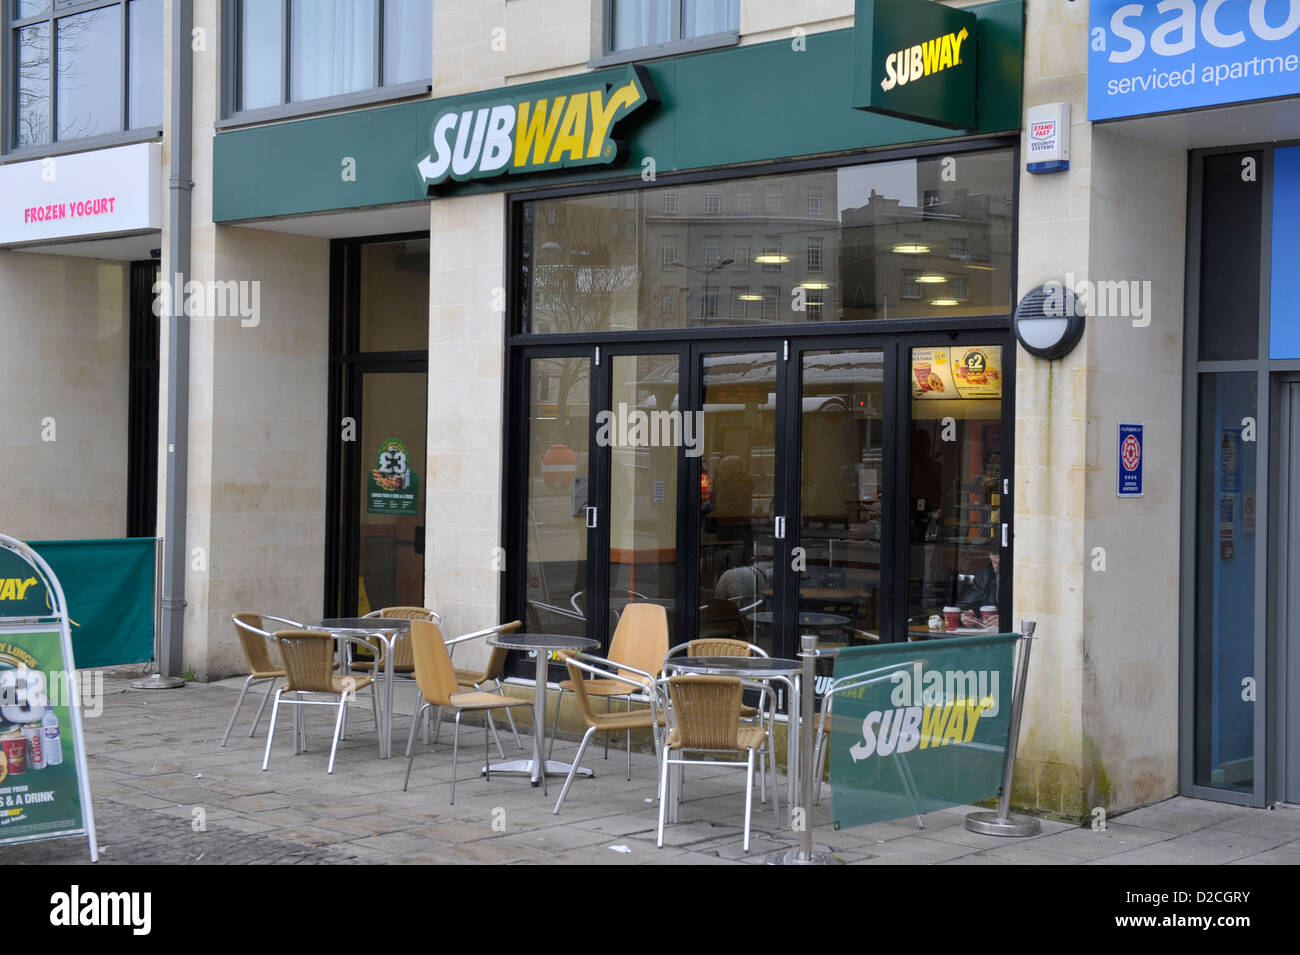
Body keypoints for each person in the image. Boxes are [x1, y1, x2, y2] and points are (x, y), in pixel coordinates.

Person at [957, 549, 1000, 627]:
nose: (996, 569)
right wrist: (966, 615)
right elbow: (965, 605)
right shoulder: (985, 575)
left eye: (1001, 563)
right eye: (994, 562)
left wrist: (1006, 620)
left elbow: (1027, 612)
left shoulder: (1023, 578)